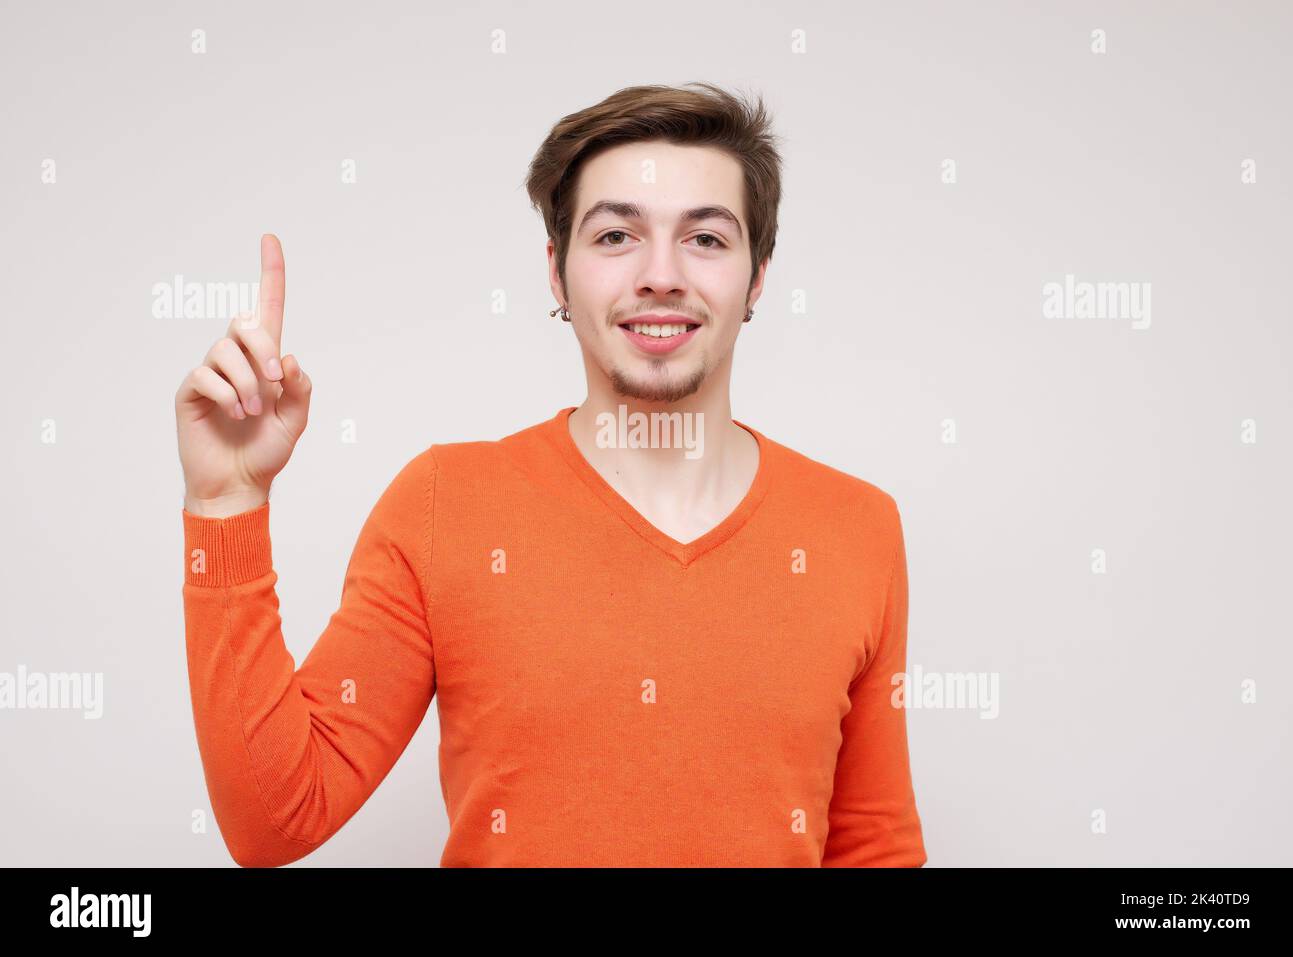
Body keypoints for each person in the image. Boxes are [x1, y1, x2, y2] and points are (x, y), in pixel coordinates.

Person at [174, 81, 926, 867]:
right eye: (615, 237)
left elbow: (875, 848)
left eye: (705, 238)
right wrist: (226, 504)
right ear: (558, 276)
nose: (661, 275)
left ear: (758, 276)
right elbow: (274, 821)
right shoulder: (443, 507)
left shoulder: (858, 528)